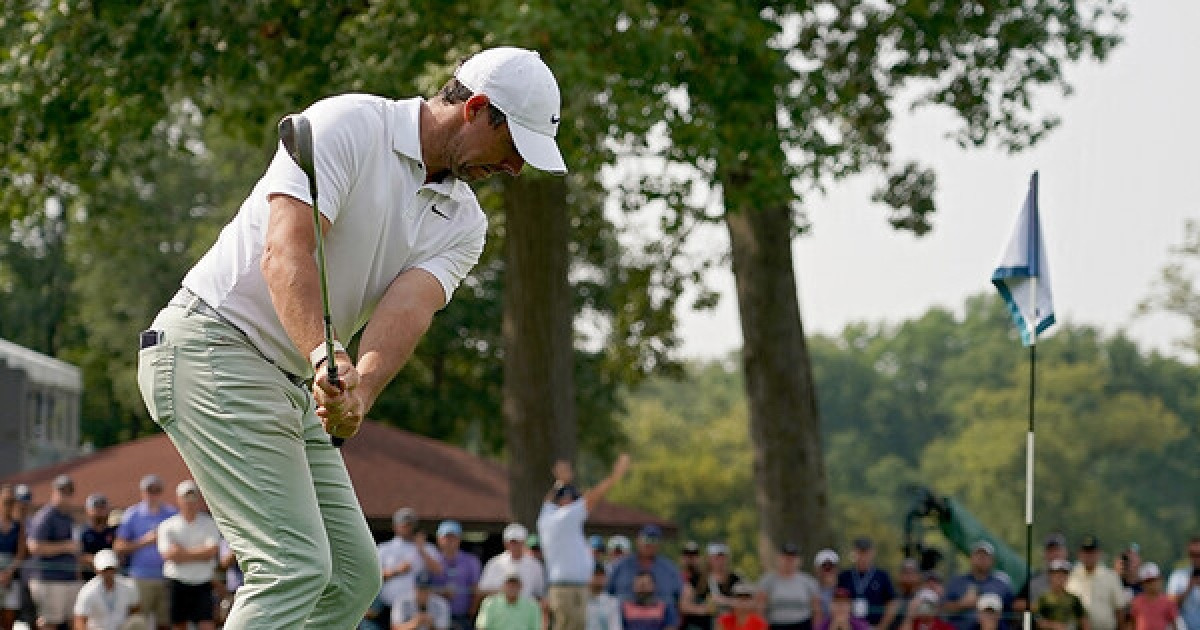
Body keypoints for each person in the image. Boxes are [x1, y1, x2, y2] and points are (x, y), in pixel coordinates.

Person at [135, 45, 568, 630]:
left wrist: (360, 385)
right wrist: (324, 353)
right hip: (212, 344)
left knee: (351, 574)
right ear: (477, 109)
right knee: (292, 567)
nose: (515, 169)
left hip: (285, 379)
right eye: (513, 146)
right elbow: (286, 251)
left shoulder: (466, 223)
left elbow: (408, 308)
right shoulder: (348, 124)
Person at [539, 454, 632, 630]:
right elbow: (593, 497)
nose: (574, 502)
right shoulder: (564, 517)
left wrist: (559, 482)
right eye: (570, 499)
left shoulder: (546, 517)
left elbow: (546, 502)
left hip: (568, 588)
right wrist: (615, 476)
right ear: (563, 503)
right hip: (568, 590)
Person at [114, 474, 178, 630]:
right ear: (143, 492)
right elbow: (119, 546)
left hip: (167, 576)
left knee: (165, 622)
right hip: (140, 577)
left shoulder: (172, 514)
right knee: (139, 622)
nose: (153, 494)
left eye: (157, 490)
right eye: (150, 490)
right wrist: (145, 541)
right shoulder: (132, 514)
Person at [156, 481, 220, 630]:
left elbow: (211, 552)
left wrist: (181, 552)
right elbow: (168, 554)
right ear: (178, 499)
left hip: (203, 582)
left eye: (193, 497)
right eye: (186, 497)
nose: (190, 502)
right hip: (176, 581)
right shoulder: (167, 525)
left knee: (207, 624)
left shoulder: (209, 523)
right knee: (179, 625)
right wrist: (200, 552)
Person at [26, 474, 82, 630]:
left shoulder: (68, 516)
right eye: (61, 491)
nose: (65, 495)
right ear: (54, 492)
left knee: (72, 621)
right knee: (50, 623)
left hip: (68, 579)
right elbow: (34, 546)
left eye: (68, 491)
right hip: (48, 579)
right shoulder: (46, 515)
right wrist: (66, 546)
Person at [379, 508, 445, 624]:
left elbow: (438, 570)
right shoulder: (384, 548)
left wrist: (421, 550)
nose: (408, 528)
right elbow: (374, 576)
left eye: (410, 525)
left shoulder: (427, 547)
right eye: (404, 525)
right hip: (387, 605)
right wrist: (397, 571)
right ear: (395, 526)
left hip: (416, 608)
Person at [943, 542, 1013, 630]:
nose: (981, 558)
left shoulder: (1001, 585)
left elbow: (1011, 611)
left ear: (993, 560)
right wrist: (961, 604)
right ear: (971, 558)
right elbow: (942, 608)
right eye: (978, 555)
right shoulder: (956, 582)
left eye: (985, 556)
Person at [608, 526, 682, 608]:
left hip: (659, 617)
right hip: (624, 616)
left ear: (659, 544)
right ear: (638, 540)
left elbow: (679, 595)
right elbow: (608, 592)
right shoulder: (621, 566)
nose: (649, 544)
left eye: (654, 540)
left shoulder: (669, 569)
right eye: (646, 539)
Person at [73, 549, 146, 630]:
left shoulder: (129, 586)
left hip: (121, 628)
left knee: (138, 622)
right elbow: (79, 620)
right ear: (97, 570)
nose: (108, 573)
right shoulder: (88, 591)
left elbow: (135, 612)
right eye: (105, 570)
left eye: (111, 568)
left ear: (116, 568)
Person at [1066, 537, 1127, 630]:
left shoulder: (1111, 577)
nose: (1089, 555)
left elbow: (1119, 610)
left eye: (1092, 552)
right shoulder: (1072, 577)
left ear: (1099, 553)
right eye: (1086, 551)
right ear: (1080, 554)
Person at [759, 543, 822, 630]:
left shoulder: (808, 581)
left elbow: (816, 610)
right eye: (786, 557)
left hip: (802, 624)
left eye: (793, 558)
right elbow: (760, 609)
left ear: (799, 560)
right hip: (776, 625)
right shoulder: (768, 581)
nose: (789, 561)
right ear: (779, 558)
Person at [430, 520, 480, 630]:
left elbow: (476, 590)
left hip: (462, 617)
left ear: (459, 539)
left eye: (453, 537)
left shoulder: (471, 560)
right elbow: (422, 588)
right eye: (446, 537)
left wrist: (470, 615)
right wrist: (442, 593)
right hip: (434, 618)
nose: (449, 541)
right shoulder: (431, 560)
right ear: (438, 538)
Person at [837, 538, 896, 628]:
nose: (862, 556)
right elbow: (836, 602)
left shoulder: (882, 576)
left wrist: (881, 627)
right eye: (860, 552)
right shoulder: (844, 576)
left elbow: (892, 602)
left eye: (865, 552)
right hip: (849, 626)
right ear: (854, 553)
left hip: (874, 625)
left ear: (872, 553)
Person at [479, 524, 546, 603]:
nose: (514, 545)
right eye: (512, 542)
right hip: (499, 611)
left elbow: (540, 594)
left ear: (524, 542)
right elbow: (483, 590)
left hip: (525, 611)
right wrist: (505, 592)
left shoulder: (535, 566)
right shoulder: (494, 563)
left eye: (517, 542)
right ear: (505, 543)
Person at [683, 543, 742, 630]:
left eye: (722, 556)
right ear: (709, 558)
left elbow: (748, 602)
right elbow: (683, 605)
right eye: (715, 557)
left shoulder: (735, 579)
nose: (719, 560)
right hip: (700, 625)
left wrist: (725, 601)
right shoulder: (697, 579)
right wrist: (702, 609)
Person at [0, 485, 29, 630]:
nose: (8, 506)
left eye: (11, 502)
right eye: (6, 501)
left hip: (12, 578)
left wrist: (9, 572)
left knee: (8, 619)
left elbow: (20, 553)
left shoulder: (18, 526)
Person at [1019, 534, 1070, 612]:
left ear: (1065, 552)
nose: (1054, 554)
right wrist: (1039, 606)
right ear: (1044, 554)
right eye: (1050, 551)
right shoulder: (1035, 578)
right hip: (1041, 622)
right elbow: (1017, 603)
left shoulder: (1075, 575)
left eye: (1057, 550)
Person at [1033, 560, 1088, 630]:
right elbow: (1037, 620)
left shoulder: (1074, 599)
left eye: (1063, 575)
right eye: (1057, 575)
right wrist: (1053, 625)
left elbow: (1084, 620)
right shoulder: (1044, 599)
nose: (1060, 578)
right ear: (1050, 577)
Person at [476, 572, 541, 630]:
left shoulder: (532, 606)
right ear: (503, 586)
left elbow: (536, 627)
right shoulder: (490, 603)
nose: (512, 587)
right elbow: (482, 626)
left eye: (515, 585)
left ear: (521, 586)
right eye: (509, 584)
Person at [80, 494, 118, 584]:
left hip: (111, 580)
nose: (100, 511)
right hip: (88, 579)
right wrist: (101, 561)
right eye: (96, 508)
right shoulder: (82, 532)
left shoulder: (114, 532)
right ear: (88, 510)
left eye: (103, 508)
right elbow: (80, 556)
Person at [1129, 564, 1178, 630]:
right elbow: (1131, 624)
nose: (1152, 584)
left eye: (1154, 580)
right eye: (1148, 581)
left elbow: (1174, 624)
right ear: (1142, 583)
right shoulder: (1136, 602)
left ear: (1160, 579)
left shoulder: (1167, 602)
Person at [1166, 537, 1200, 630]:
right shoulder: (1178, 576)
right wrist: (1188, 588)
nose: (1196, 558)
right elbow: (1169, 605)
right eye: (1192, 554)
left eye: (1199, 554)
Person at [889, 560, 923, 630]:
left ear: (918, 576)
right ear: (900, 575)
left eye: (912, 572)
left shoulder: (923, 597)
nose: (909, 576)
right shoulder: (892, 598)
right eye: (905, 572)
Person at [587, 564, 621, 630]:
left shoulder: (612, 602)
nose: (599, 579)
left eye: (602, 576)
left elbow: (615, 627)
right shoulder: (580, 601)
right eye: (596, 575)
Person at [814, 550, 840, 621]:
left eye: (831, 567)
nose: (828, 570)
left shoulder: (844, 589)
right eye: (824, 566)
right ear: (817, 569)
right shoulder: (812, 590)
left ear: (836, 569)